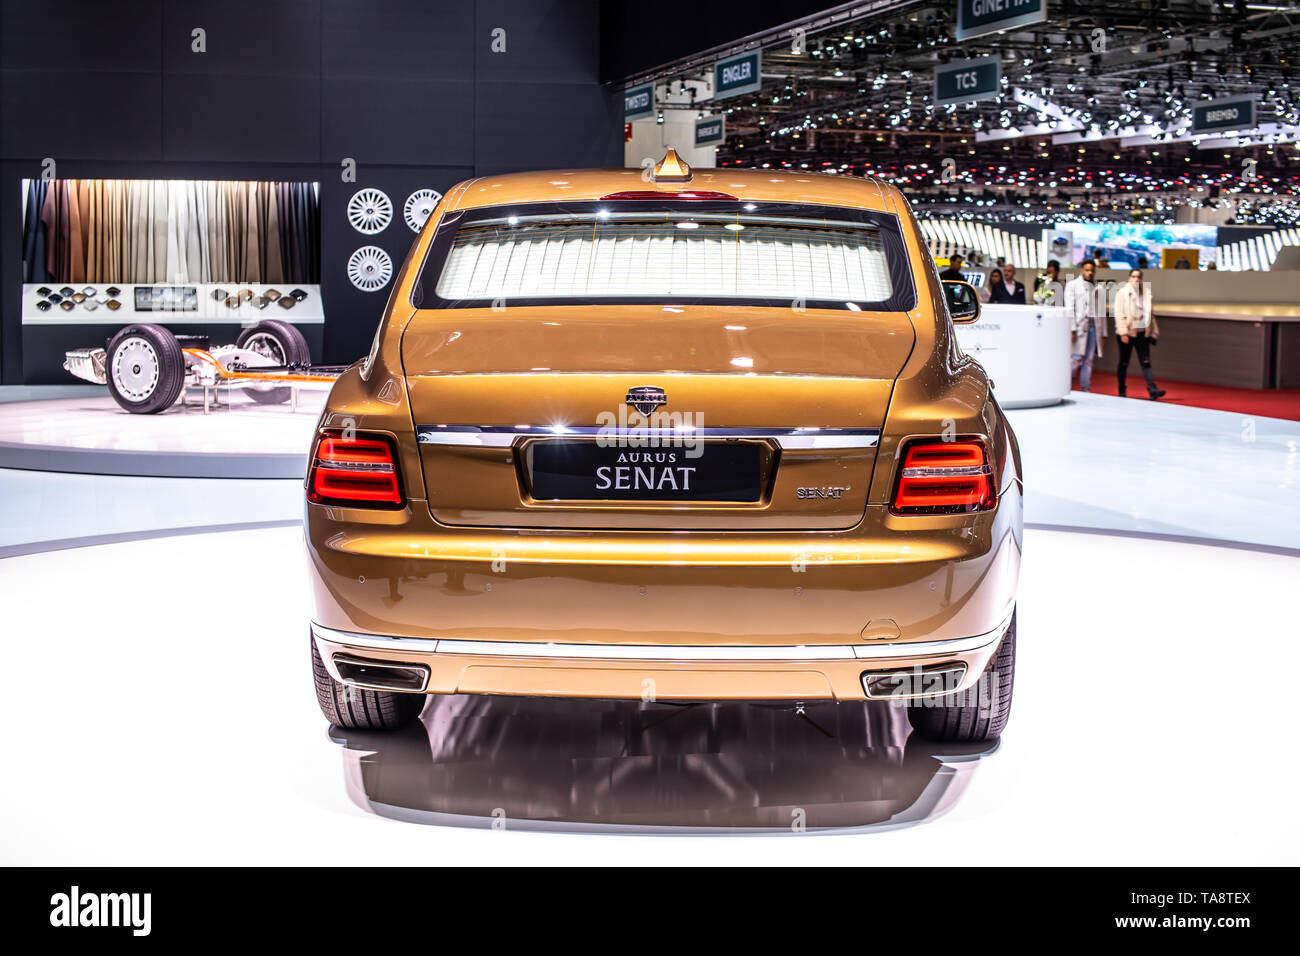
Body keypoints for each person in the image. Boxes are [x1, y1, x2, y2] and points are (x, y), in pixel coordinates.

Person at [1113, 269, 1166, 400]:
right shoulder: (1122, 293)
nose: (1136, 279)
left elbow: (1151, 315)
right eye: (1133, 277)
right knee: (1124, 362)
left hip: (1142, 333)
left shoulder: (1146, 293)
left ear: (1141, 279)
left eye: (1138, 277)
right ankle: (1121, 389)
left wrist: (1154, 331)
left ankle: (1152, 389)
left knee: (1146, 361)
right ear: (1129, 278)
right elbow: (1119, 314)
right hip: (1128, 333)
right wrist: (1123, 332)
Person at [1065, 260, 1106, 392]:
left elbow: (1102, 312)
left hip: (1094, 328)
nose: (1090, 272)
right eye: (1087, 270)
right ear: (1082, 270)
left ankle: (1085, 387)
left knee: (1088, 360)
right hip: (1079, 327)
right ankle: (1066, 384)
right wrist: (1071, 329)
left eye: (1092, 270)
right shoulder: (1073, 285)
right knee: (1076, 358)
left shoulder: (1098, 287)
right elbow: (1069, 308)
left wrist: (1104, 333)